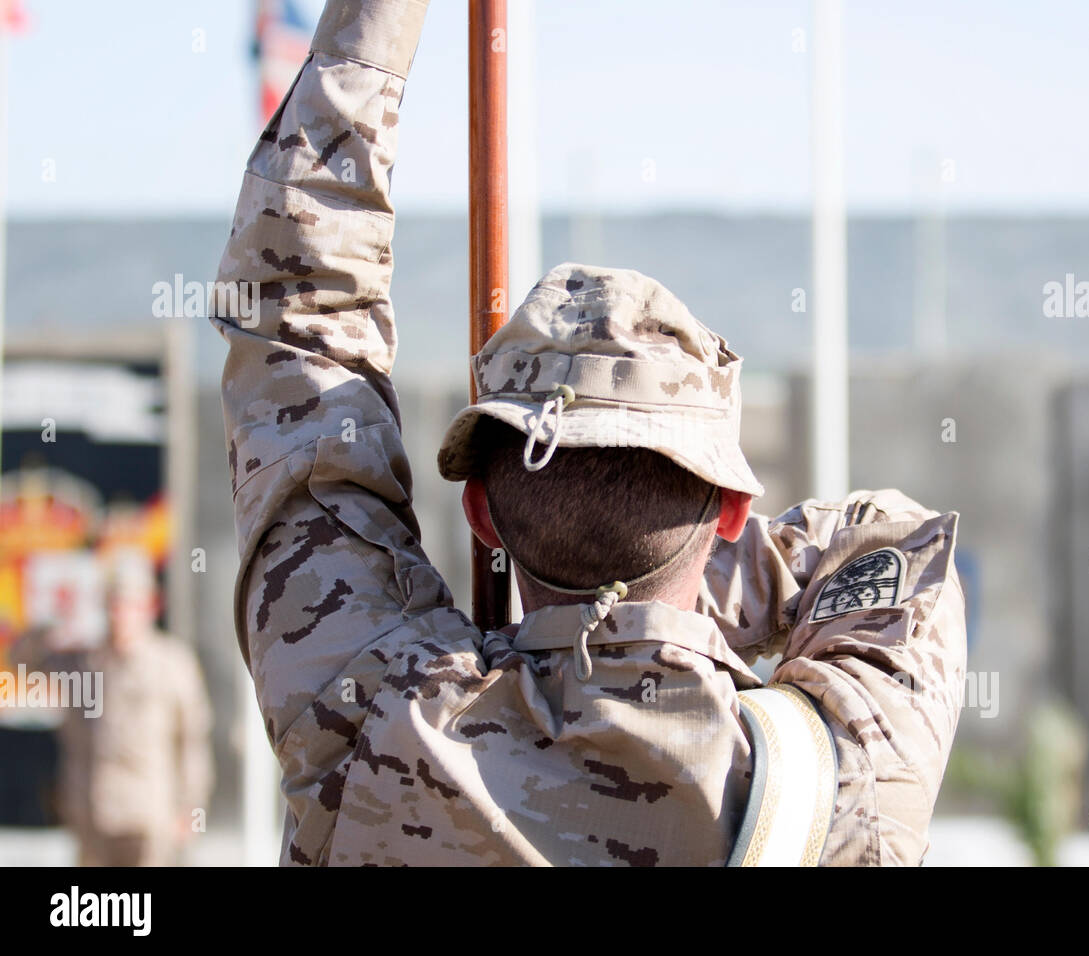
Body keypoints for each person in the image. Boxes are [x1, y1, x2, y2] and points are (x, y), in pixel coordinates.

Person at [211, 0, 966, 866]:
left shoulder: (367, 714)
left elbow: (293, 319)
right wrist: (664, 576)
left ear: (483, 515)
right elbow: (895, 543)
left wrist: (375, 24)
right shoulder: (837, 781)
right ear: (728, 511)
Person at [11, 551, 213, 866]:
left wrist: (191, 807)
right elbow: (21, 660)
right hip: (91, 816)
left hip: (148, 817)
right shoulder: (81, 662)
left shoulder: (173, 664)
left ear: (150, 605)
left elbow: (192, 742)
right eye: (113, 603)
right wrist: (54, 623)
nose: (121, 614)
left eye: (130, 604)